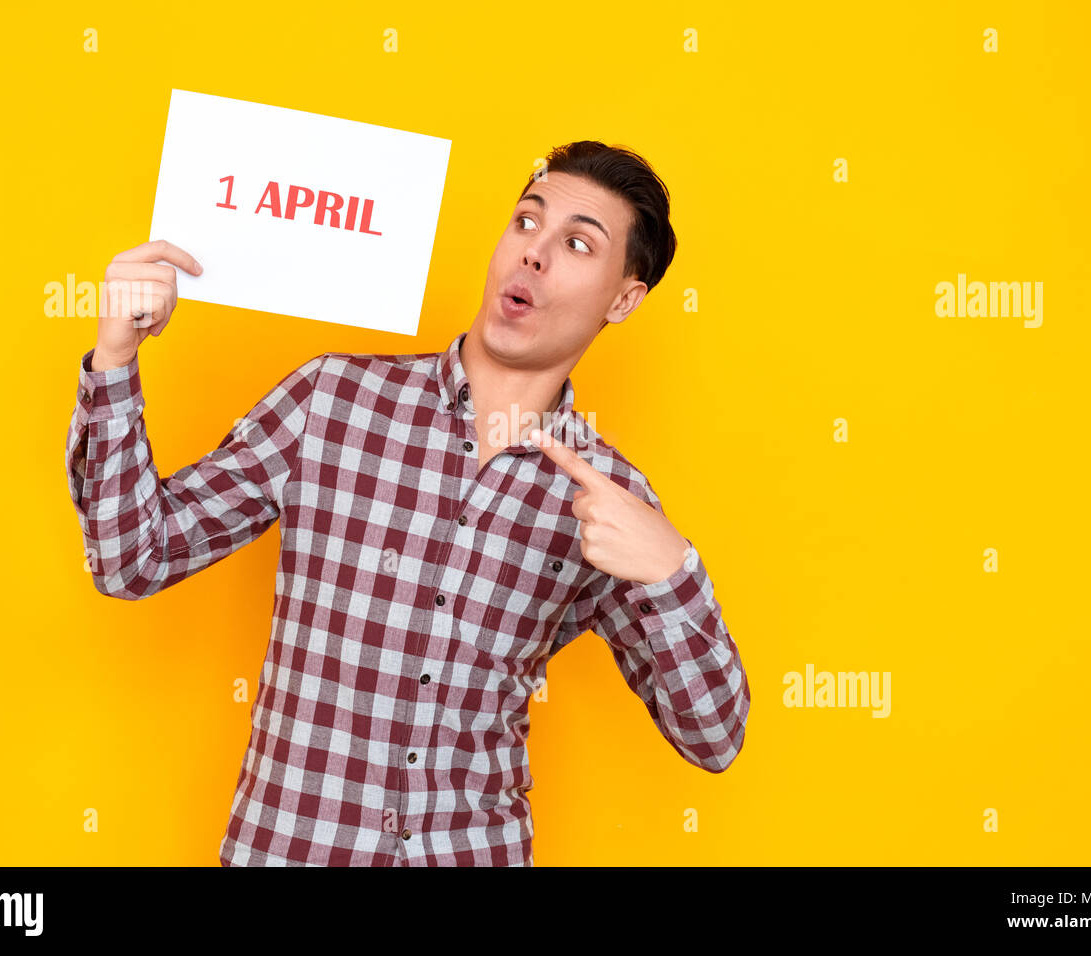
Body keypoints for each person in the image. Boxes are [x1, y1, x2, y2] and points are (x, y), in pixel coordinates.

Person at [65, 140, 750, 866]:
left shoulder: (606, 497)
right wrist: (115, 359)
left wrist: (673, 571)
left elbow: (713, 738)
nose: (534, 254)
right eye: (526, 222)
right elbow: (129, 559)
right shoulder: (331, 398)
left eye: (577, 243)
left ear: (623, 298)